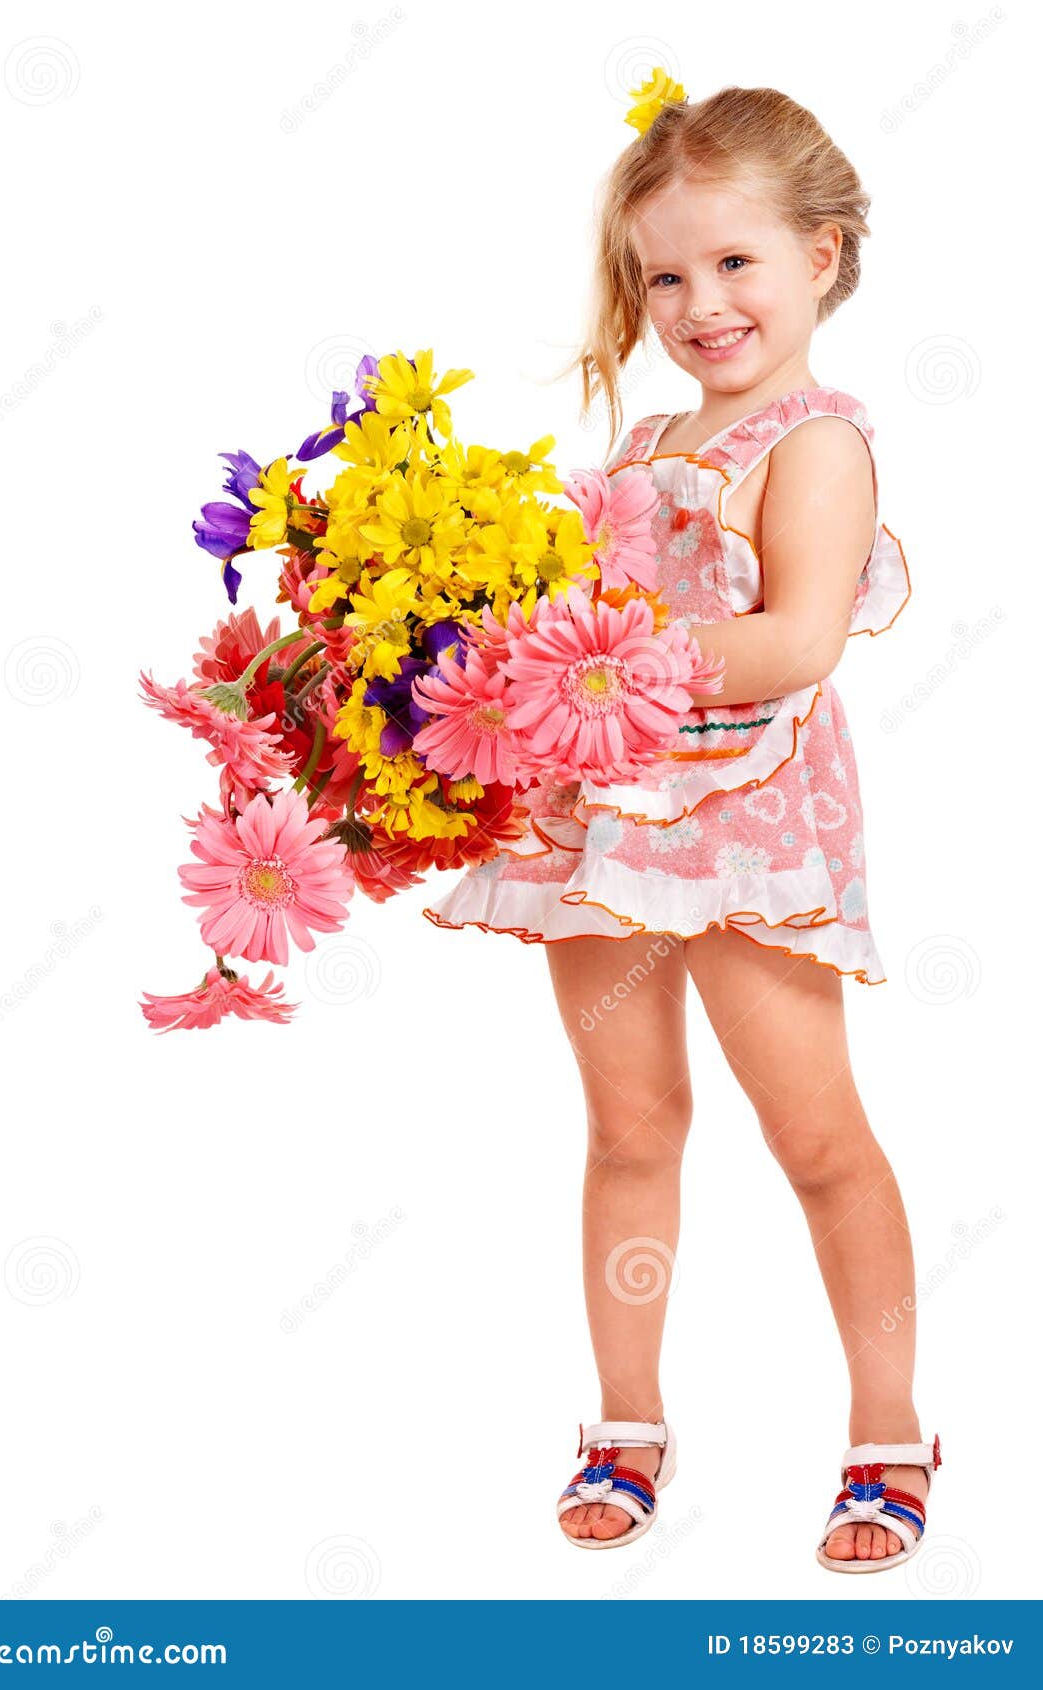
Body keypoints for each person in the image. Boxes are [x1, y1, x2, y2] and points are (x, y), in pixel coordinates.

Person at [423, 74, 940, 1571]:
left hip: (749, 822)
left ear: (821, 255)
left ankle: (889, 1427)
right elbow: (587, 600)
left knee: (817, 1135)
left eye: (734, 261)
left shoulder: (817, 444)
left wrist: (595, 659)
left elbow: (795, 641)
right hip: (609, 821)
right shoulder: (649, 440)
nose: (701, 303)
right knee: (630, 1123)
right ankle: (627, 1414)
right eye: (664, 276)